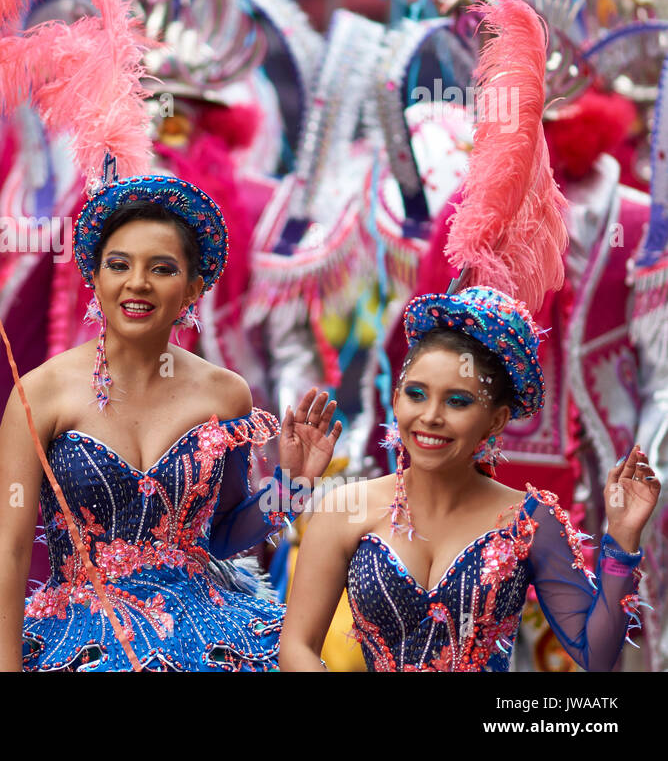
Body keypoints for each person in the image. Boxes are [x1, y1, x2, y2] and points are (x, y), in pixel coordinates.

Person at [0, 161, 343, 671]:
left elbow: (222, 535)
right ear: (94, 275)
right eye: (119, 264)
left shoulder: (225, 394)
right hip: (77, 640)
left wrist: (291, 486)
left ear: (194, 289)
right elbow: (10, 554)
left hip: (204, 636)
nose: (138, 284)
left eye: (162, 268)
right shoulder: (40, 394)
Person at [280, 286, 659, 671]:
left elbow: (597, 657)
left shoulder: (530, 521)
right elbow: (297, 647)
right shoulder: (345, 509)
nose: (430, 416)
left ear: (496, 420)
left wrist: (622, 543)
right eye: (416, 394)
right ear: (395, 400)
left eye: (457, 401)